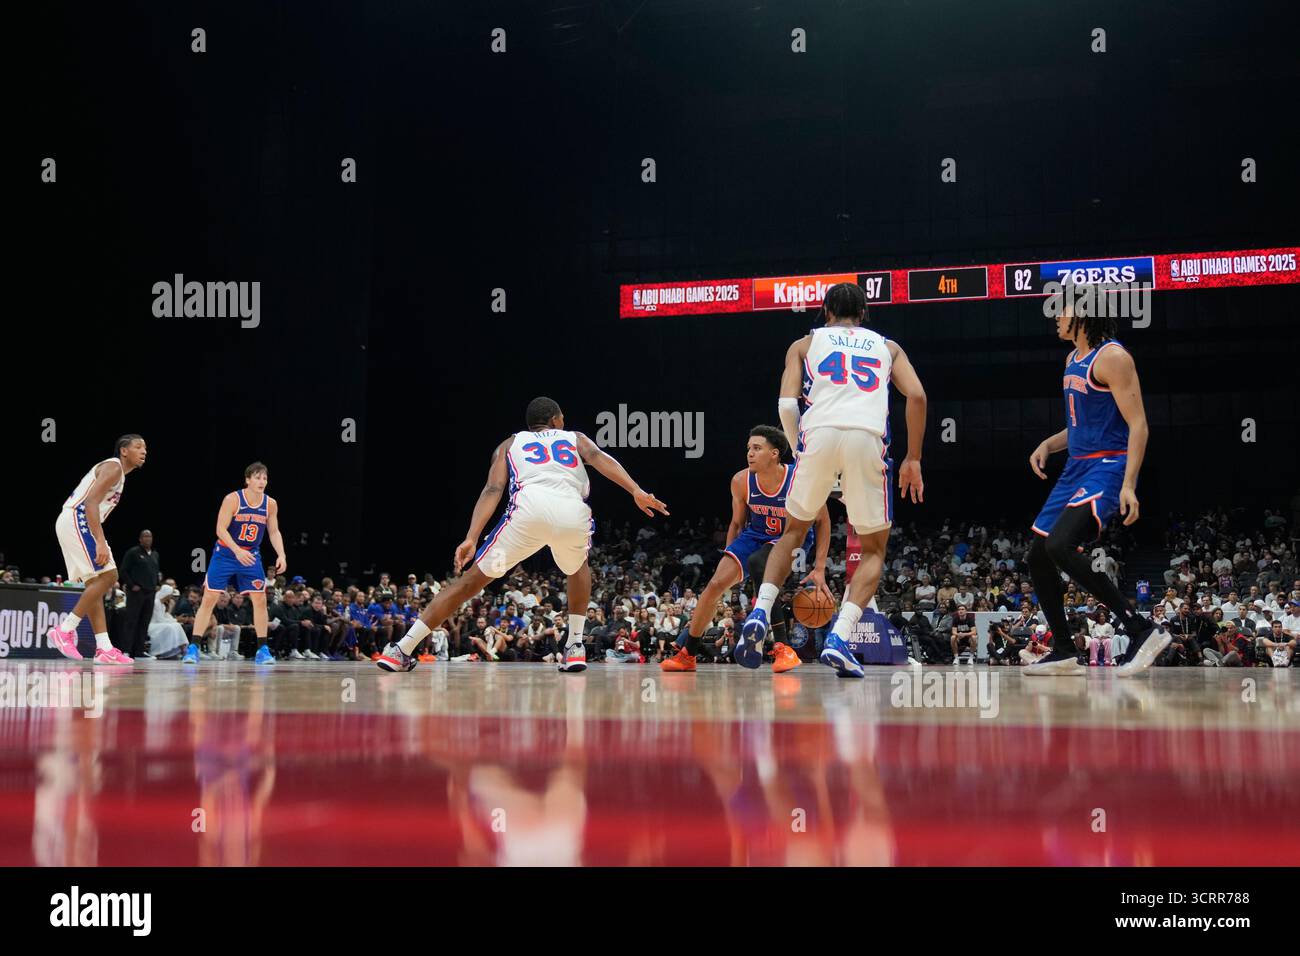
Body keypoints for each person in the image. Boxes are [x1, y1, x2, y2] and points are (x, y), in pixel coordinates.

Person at [378, 397, 667, 673]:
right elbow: (599, 457)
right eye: (562, 419)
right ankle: (575, 645)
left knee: (470, 582)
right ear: (555, 420)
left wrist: (471, 536)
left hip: (527, 515)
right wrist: (635, 490)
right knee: (578, 565)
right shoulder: (574, 437)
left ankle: (401, 650)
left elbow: (493, 490)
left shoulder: (509, 443)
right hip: (570, 512)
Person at [740, 282, 927, 677]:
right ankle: (840, 637)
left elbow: (787, 405)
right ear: (864, 313)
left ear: (826, 311)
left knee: (792, 533)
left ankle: (759, 612)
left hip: (819, 432)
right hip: (867, 438)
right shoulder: (888, 347)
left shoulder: (804, 345)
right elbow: (918, 397)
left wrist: (801, 449)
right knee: (874, 549)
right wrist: (913, 458)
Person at [1023, 303, 1163, 677]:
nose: (1056, 318)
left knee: (1058, 545)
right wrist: (1048, 445)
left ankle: (1140, 627)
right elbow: (1081, 427)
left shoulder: (1113, 357)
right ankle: (1065, 649)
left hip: (1108, 464)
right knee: (1037, 554)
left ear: (1084, 317)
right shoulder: (1073, 357)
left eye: (1062, 312)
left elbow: (1139, 425)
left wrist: (1129, 484)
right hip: (1076, 466)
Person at [662, 426, 830, 675]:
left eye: (757, 448)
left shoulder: (800, 479)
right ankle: (688, 654)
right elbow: (738, 524)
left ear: (774, 454)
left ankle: (783, 648)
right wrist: (730, 558)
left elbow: (823, 521)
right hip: (756, 534)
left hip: (793, 537)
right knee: (714, 585)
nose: (749, 453)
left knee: (761, 563)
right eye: (748, 448)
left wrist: (819, 566)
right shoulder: (741, 481)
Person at [46, 434, 148, 665]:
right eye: (138, 446)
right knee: (109, 575)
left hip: (74, 520)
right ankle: (65, 629)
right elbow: (90, 502)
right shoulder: (113, 467)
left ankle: (104, 648)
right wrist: (100, 541)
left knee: (97, 582)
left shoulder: (118, 473)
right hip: (78, 518)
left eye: (145, 448)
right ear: (124, 450)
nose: (144, 451)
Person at [182, 463, 288, 666]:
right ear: (247, 480)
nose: (262, 482)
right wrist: (237, 550)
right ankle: (193, 647)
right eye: (257, 477)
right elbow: (220, 529)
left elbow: (274, 532)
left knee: (259, 599)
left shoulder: (270, 504)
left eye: (265, 478)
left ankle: (262, 650)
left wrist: (281, 554)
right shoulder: (232, 499)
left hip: (250, 555)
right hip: (226, 554)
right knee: (210, 597)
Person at [118, 528, 161, 659]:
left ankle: (139, 651)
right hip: (137, 593)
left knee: (144, 622)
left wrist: (157, 584)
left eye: (150, 536)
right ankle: (126, 650)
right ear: (140, 539)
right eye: (145, 536)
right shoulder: (133, 553)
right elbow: (123, 571)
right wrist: (132, 585)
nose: (148, 539)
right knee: (131, 621)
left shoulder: (155, 554)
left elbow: (155, 571)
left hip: (150, 593)